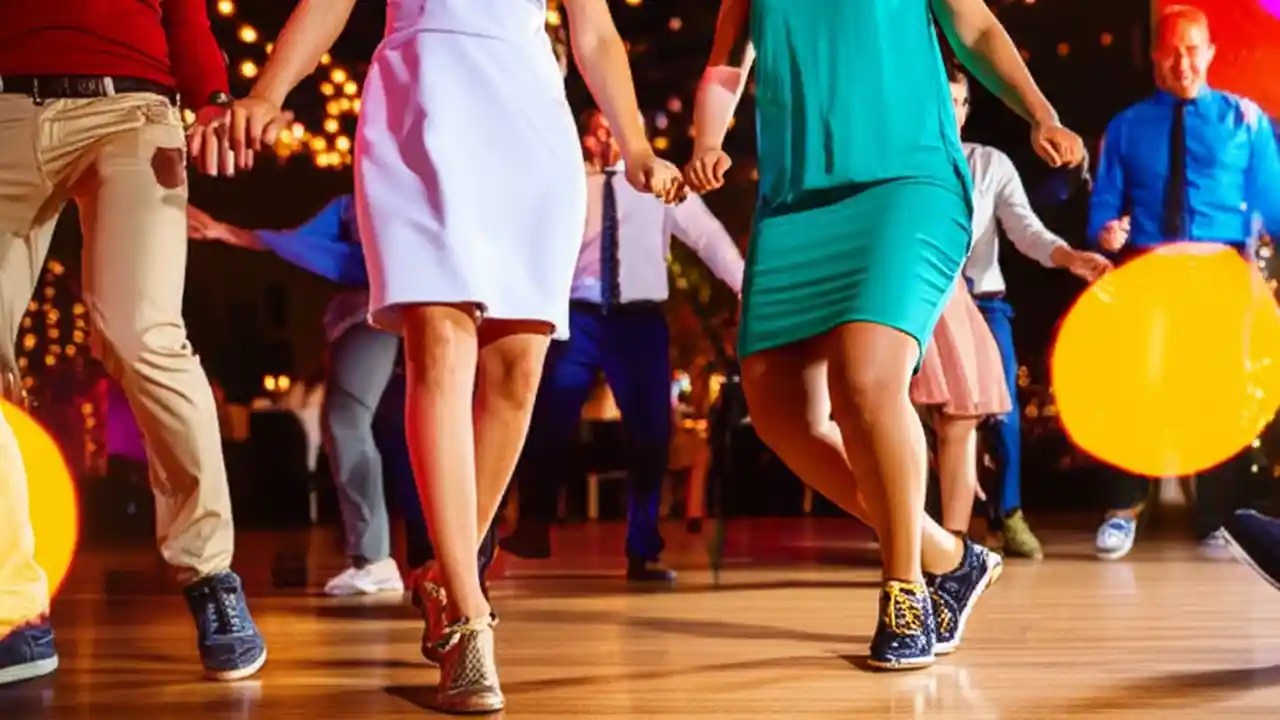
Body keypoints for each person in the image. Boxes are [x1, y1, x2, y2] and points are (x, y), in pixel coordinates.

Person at [210, 0, 685, 712]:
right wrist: (268, 91)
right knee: (439, 343)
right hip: (419, 103)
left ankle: (440, 569)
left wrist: (637, 145)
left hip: (528, 114)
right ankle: (467, 616)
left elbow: (593, 33)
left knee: (520, 371)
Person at [685, 0, 1084, 670]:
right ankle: (949, 559)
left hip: (909, 179)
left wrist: (1040, 112)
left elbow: (977, 27)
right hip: (795, 201)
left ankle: (905, 588)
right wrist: (706, 140)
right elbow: (728, 60)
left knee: (866, 377)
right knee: (778, 408)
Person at [0, 0, 266, 686]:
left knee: (140, 330)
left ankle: (210, 573)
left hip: (132, 114)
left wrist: (210, 98)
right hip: (6, 110)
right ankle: (13, 608)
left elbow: (186, 11)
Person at [187, 198, 500, 598]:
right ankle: (430, 558)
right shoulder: (358, 198)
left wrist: (236, 234)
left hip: (383, 313)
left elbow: (357, 254)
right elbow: (308, 242)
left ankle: (376, 559)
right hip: (391, 313)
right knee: (401, 428)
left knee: (350, 420)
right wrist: (236, 234)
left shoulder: (385, 193)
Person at [502, 109, 744, 581]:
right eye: (596, 127)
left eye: (614, 124)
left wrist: (747, 289)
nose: (603, 135)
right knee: (548, 418)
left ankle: (643, 547)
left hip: (639, 319)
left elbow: (707, 236)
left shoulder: (659, 181)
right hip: (579, 316)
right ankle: (533, 525)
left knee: (651, 433)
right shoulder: (567, 184)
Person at [1087, 5, 1280, 562]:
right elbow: (1104, 205)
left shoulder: (1245, 120)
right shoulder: (1125, 127)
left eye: (1193, 49)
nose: (1183, 61)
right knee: (1133, 390)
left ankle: (1218, 521)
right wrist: (1107, 230)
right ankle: (1121, 512)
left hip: (1220, 269)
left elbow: (1272, 201)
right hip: (1148, 266)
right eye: (1171, 50)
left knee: (1221, 395)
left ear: (1211, 54)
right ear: (1155, 57)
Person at [946, 66, 1112, 559]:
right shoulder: (903, 164)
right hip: (922, 305)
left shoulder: (988, 164)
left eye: (959, 103)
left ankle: (1009, 513)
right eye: (942, 101)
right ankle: (921, 522)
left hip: (982, 301)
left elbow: (1026, 230)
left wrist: (1069, 257)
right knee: (915, 416)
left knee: (1002, 412)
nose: (950, 113)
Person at [911, 280, 1012, 539]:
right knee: (898, 420)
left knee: (961, 415)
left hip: (944, 287)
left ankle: (955, 544)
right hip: (896, 289)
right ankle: (908, 536)